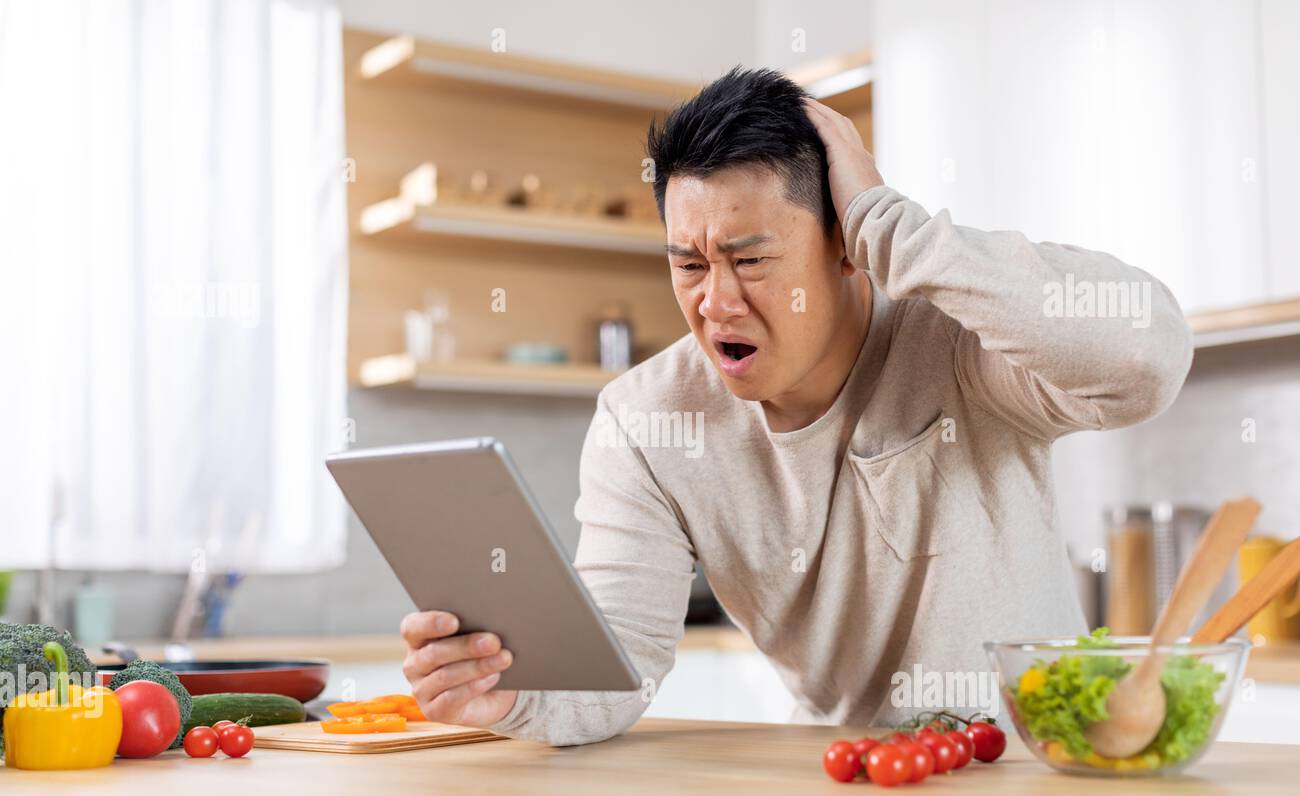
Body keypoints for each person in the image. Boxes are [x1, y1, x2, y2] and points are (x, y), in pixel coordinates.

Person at [400, 67, 1192, 745]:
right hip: (842, 784)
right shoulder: (646, 421)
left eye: (751, 260)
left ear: (847, 241)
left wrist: (896, 226)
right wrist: (516, 697)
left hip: (1031, 772)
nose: (716, 301)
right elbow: (618, 663)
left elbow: (1145, 359)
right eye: (689, 264)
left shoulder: (960, 342)